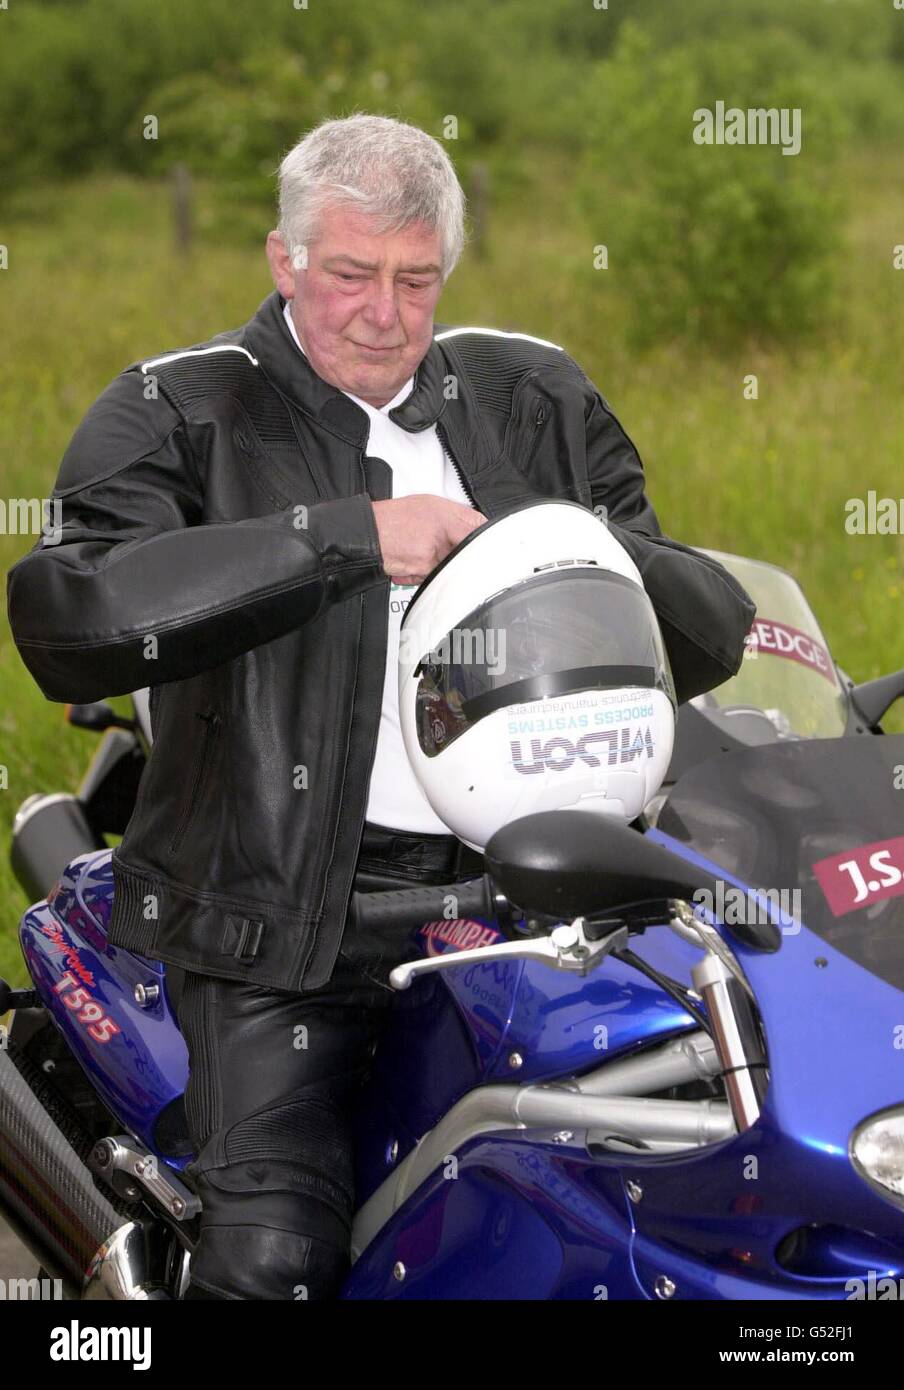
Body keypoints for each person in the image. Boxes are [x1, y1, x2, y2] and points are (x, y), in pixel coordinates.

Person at [6, 113, 756, 1299]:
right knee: (275, 1258)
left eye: (417, 279)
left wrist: (570, 550)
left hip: (540, 885)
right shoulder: (177, 408)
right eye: (350, 275)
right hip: (280, 914)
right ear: (283, 260)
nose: (385, 312)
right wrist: (342, 539)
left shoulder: (534, 397)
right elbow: (71, 615)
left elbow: (704, 631)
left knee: (679, 1181)